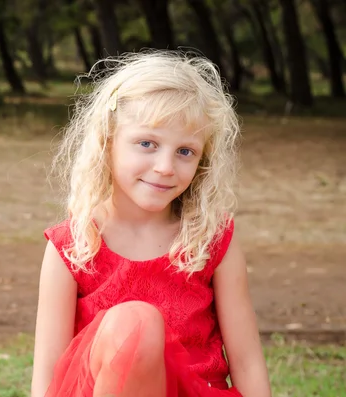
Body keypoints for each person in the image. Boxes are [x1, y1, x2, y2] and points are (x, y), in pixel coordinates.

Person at [30, 51, 272, 397]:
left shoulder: (210, 240)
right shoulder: (73, 245)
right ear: (108, 142)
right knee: (135, 324)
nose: (164, 167)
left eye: (185, 151)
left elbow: (246, 361)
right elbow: (50, 374)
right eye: (147, 144)